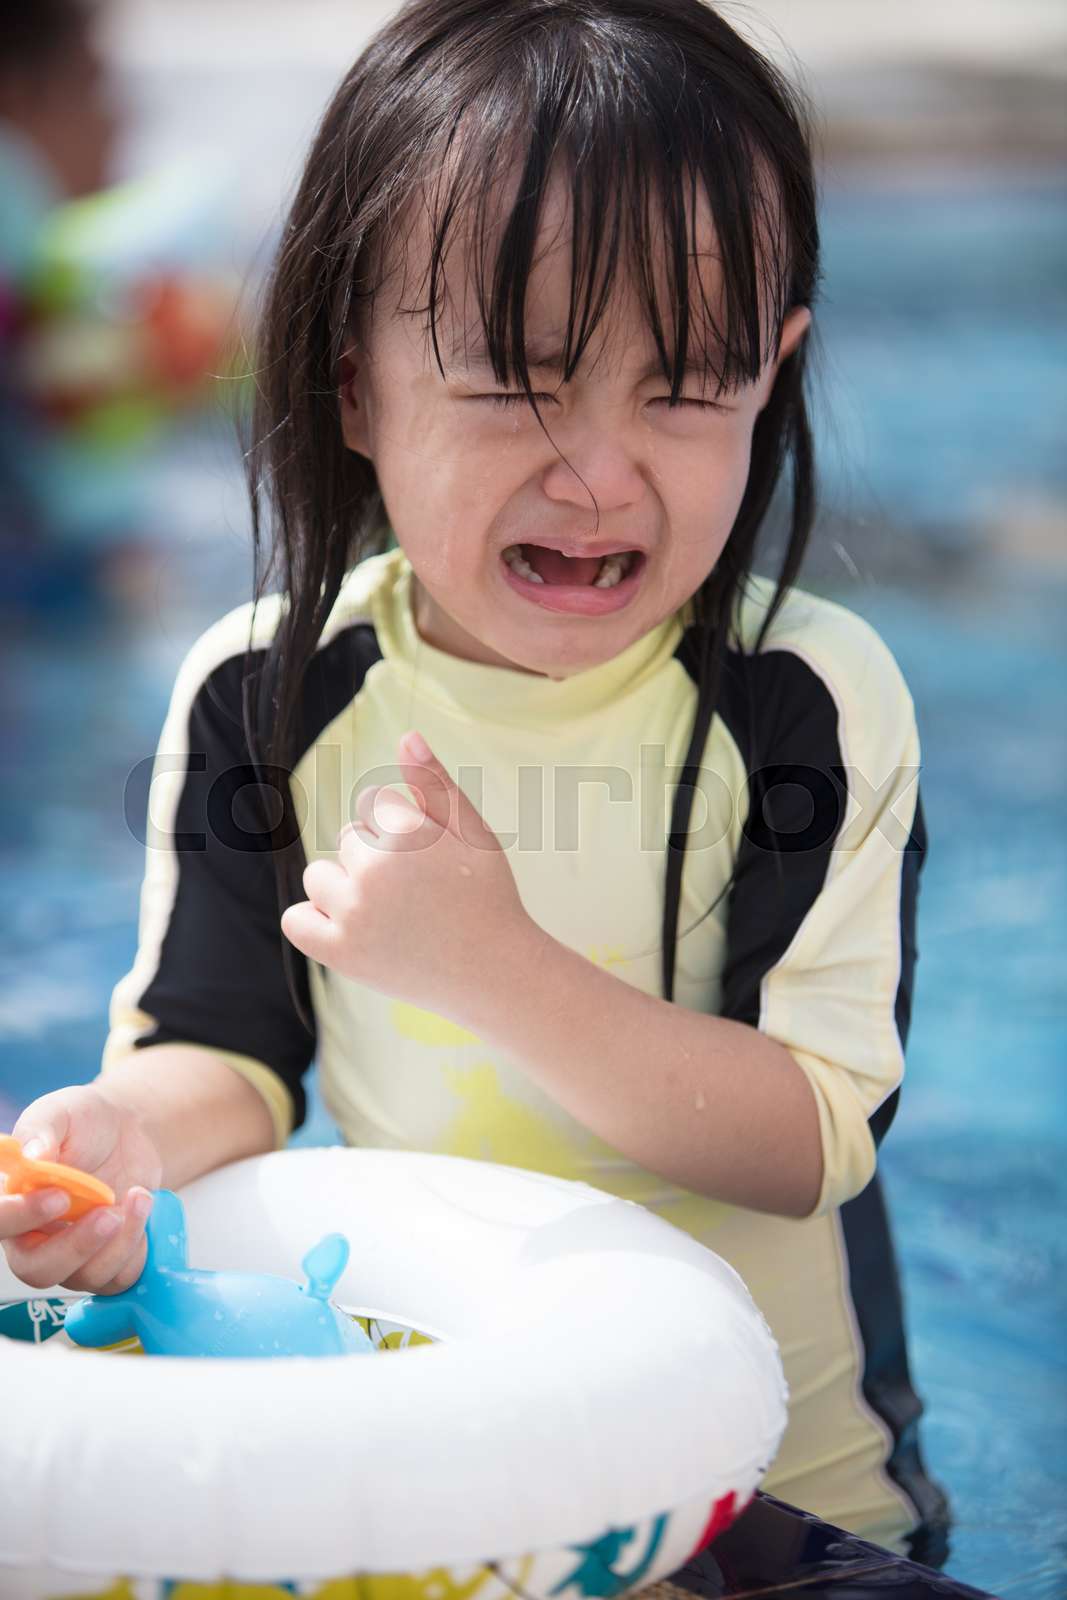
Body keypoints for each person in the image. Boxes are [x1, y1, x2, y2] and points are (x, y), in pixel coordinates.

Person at [0, 0, 951, 1568]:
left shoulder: (806, 704)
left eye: (689, 386)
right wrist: (116, 1146)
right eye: (519, 380)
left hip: (762, 1491)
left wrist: (489, 969)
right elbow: (223, 1054)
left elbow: (812, 1135)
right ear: (351, 382)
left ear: (771, 377)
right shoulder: (271, 690)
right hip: (452, 1472)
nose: (599, 469)